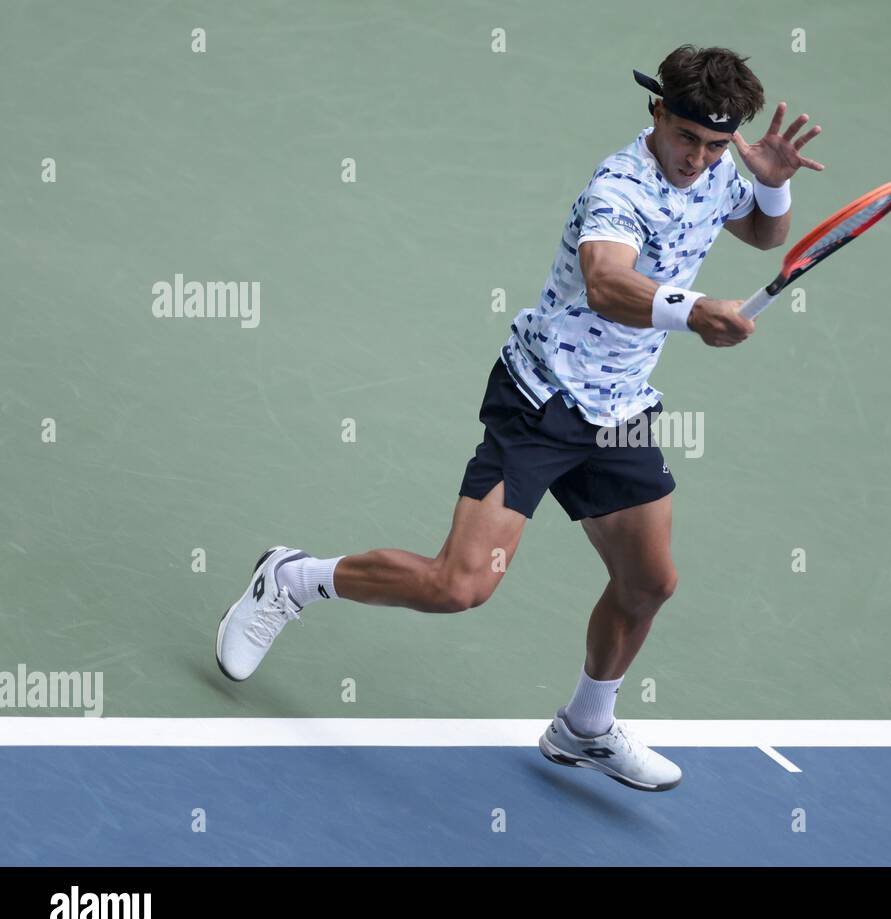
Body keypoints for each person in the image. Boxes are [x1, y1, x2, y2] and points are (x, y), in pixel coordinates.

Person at [215, 44, 823, 792]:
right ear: (657, 111)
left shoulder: (720, 167)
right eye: (687, 138)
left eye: (716, 146)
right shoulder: (620, 186)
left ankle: (585, 727)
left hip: (621, 409)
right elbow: (606, 282)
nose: (698, 159)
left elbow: (765, 236)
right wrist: (693, 310)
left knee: (648, 583)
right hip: (542, 399)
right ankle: (292, 580)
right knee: (458, 587)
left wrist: (768, 185)